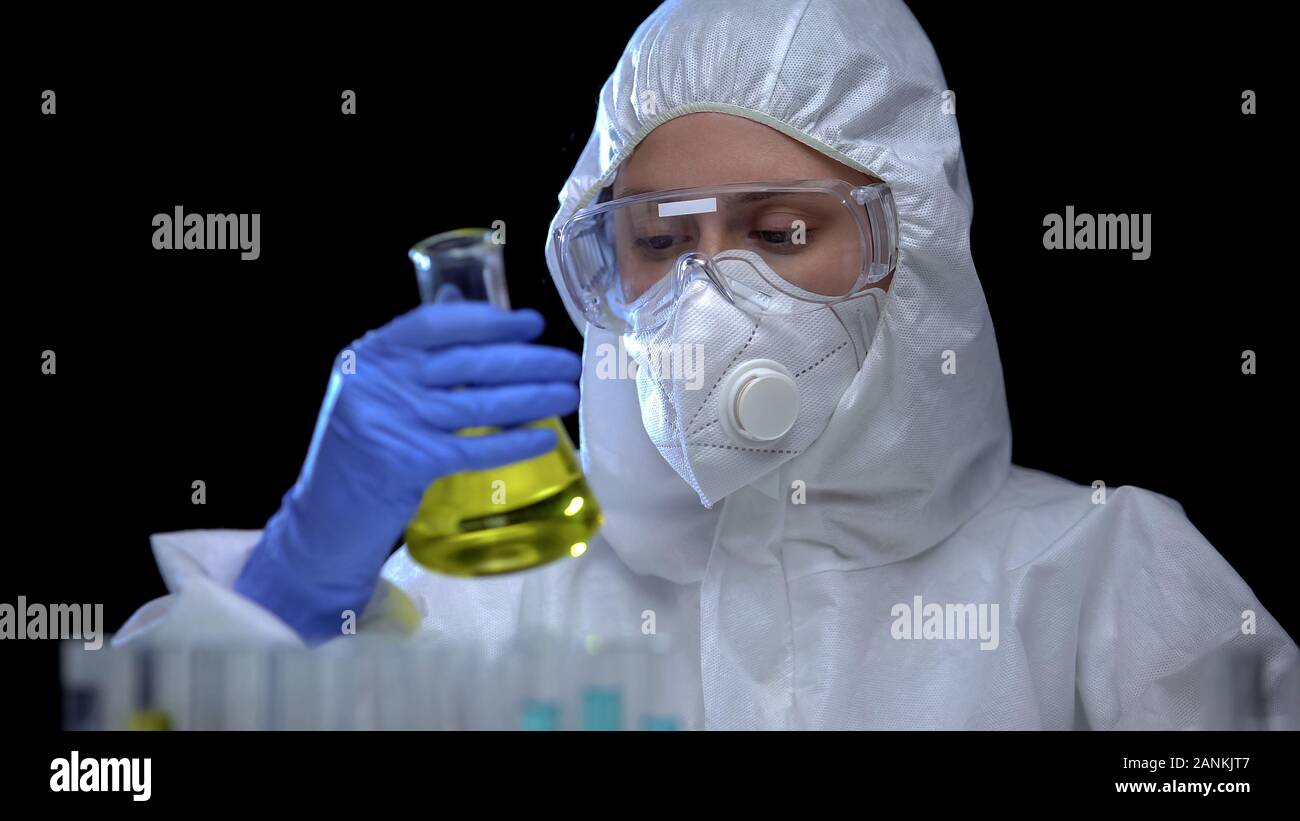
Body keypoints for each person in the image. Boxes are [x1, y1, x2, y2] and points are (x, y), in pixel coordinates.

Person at [115, 0, 1298, 729]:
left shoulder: (1096, 573)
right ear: (601, 268)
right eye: (659, 242)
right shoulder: (477, 608)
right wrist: (284, 588)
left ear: (911, 251)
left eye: (782, 234)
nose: (709, 291)